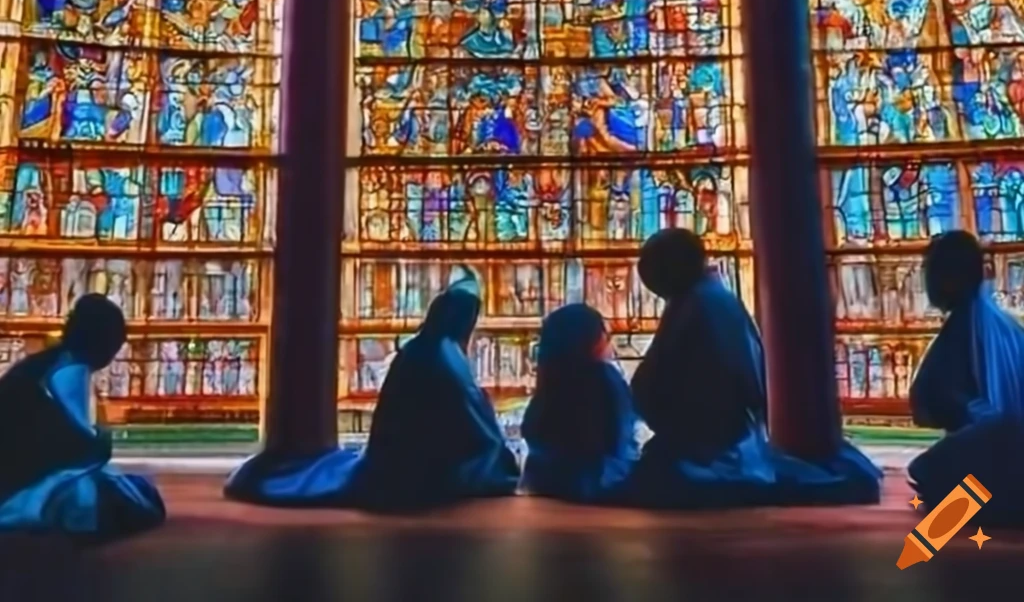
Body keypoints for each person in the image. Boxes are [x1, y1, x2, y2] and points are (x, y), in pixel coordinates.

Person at [629, 229, 880, 508]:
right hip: (708, 440)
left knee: (668, 482)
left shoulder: (702, 304)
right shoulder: (702, 301)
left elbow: (680, 379)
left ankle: (839, 485)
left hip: (716, 447)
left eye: (653, 269)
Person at [225, 274, 520, 511]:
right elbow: (474, 421)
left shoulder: (422, 349)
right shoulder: (446, 356)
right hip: (414, 471)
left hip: (394, 458)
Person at [0, 294, 165, 539]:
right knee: (127, 499)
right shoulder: (68, 369)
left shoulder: (49, 362)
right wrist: (102, 440)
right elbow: (79, 440)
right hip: (24, 478)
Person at [908, 231, 1024, 526]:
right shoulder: (1002, 322)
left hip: (1001, 449)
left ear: (951, 277)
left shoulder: (967, 326)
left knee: (926, 470)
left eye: (930, 271)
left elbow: (929, 397)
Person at [521, 304, 639, 504]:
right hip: (600, 490)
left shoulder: (550, 382)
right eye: (608, 337)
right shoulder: (605, 378)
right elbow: (622, 440)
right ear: (593, 340)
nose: (612, 348)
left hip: (543, 489)